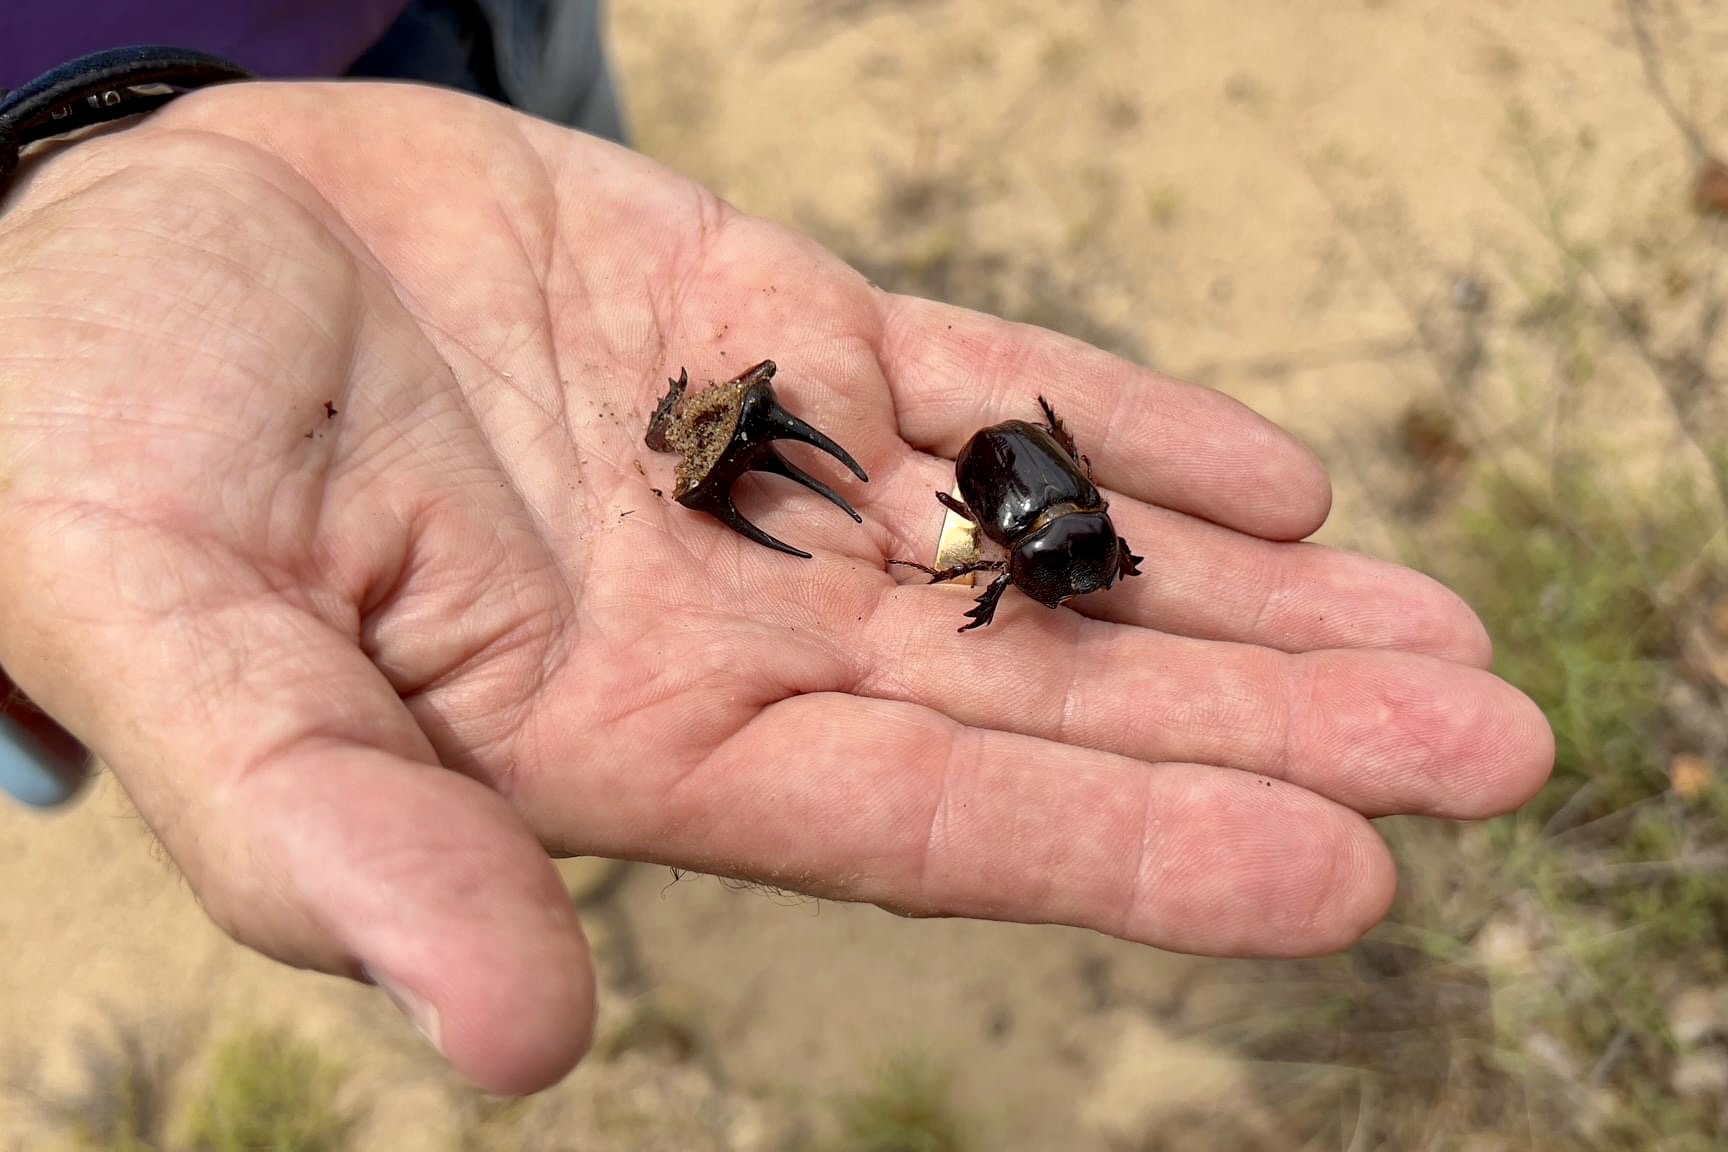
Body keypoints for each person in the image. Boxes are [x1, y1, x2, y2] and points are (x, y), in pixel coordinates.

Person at [0, 13, 1556, 1099]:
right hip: (197, 122)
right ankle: (35, 720)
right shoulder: (1012, 532)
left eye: (1062, 568)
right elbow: (1012, 512)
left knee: (556, 130)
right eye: (1056, 568)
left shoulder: (1029, 529)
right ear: (1030, 544)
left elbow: (1032, 512)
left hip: (428, 65)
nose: (1063, 581)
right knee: (105, 630)